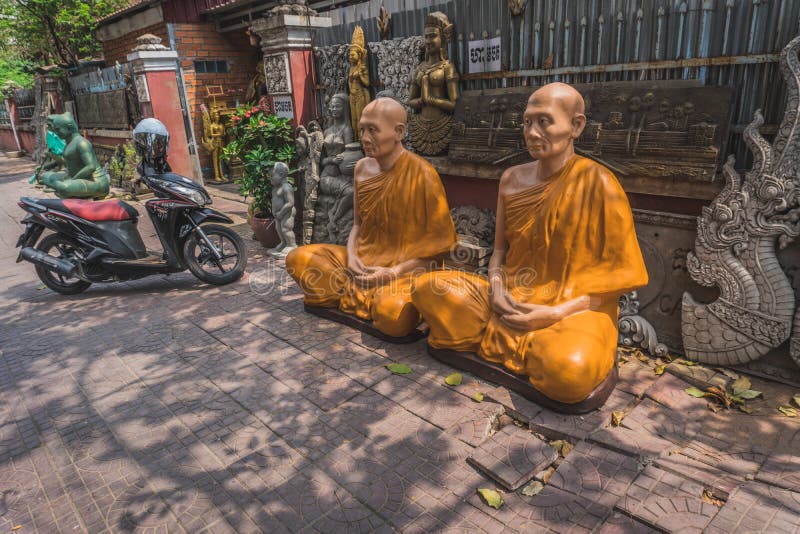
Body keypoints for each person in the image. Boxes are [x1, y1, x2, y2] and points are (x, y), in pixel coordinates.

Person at [412, 83, 649, 406]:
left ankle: (511, 342)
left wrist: (554, 312)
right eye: (527, 122)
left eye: (544, 122)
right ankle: (515, 342)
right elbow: (499, 252)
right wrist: (497, 289)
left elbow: (620, 279)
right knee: (426, 288)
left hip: (573, 310)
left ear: (576, 126)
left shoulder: (600, 184)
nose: (532, 132)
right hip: (511, 297)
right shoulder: (511, 179)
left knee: (569, 370)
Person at [286, 97, 457, 338]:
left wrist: (393, 273)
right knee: (298, 259)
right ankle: (359, 291)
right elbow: (357, 225)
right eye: (362, 129)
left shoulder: (423, 175)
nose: (365, 138)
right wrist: (353, 257)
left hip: (405, 270)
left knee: (392, 316)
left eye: (373, 130)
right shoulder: (362, 168)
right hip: (364, 261)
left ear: (399, 132)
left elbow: (438, 253)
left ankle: (364, 295)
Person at [37, 112, 110, 199]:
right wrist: (46, 166)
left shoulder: (81, 143)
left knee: (64, 187)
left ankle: (62, 188)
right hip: (75, 177)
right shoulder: (69, 143)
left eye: (58, 129)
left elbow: (91, 167)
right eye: (55, 130)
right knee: (44, 176)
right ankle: (60, 187)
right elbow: (67, 161)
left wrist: (73, 179)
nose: (56, 133)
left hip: (96, 182)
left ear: (69, 127)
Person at [268, 162, 297, 258]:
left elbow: (290, 203)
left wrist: (281, 213)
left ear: (281, 175)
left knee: (286, 229)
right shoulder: (276, 188)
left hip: (287, 212)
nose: (270, 178)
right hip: (278, 214)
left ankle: (292, 245)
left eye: (272, 176)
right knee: (278, 229)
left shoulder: (286, 187)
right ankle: (283, 243)